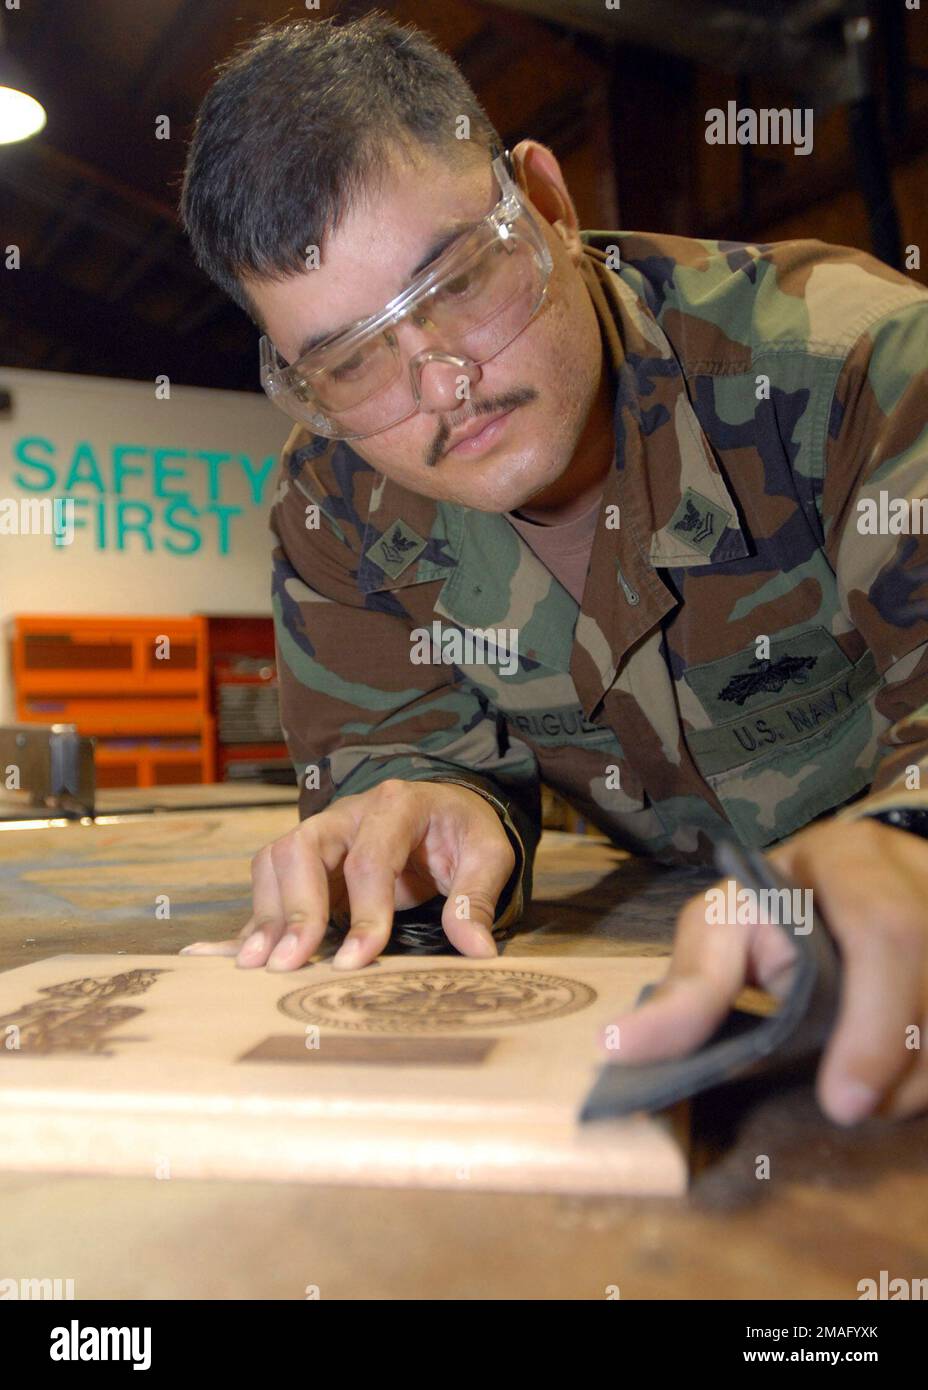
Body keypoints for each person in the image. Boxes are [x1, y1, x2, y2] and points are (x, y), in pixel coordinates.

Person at [179, 14, 928, 1124]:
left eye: (459, 284)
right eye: (348, 359)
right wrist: (439, 803)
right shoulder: (331, 506)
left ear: (544, 202)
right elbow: (397, 757)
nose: (441, 385)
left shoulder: (854, 365)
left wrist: (903, 849)